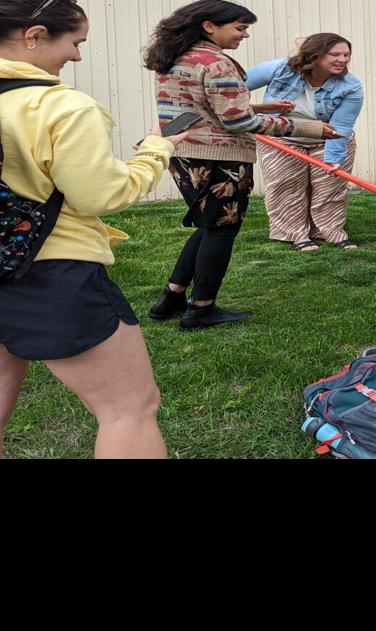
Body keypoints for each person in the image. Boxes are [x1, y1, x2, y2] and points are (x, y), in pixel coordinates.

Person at [1, 0, 189, 458]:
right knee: (129, 409)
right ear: (35, 35)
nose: (78, 57)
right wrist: (156, 151)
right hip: (47, 273)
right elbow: (99, 196)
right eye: (75, 43)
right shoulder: (58, 105)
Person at [143, 0, 338, 330]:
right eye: (239, 28)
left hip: (183, 153)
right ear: (209, 26)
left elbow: (201, 108)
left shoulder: (176, 59)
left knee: (209, 224)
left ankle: (172, 297)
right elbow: (237, 122)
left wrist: (261, 105)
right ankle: (201, 308)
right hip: (219, 160)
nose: (244, 35)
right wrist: (309, 128)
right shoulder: (217, 64)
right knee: (222, 230)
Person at [245, 32, 363, 250]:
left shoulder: (350, 86)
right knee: (286, 185)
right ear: (315, 55)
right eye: (335, 54)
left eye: (346, 54)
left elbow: (342, 126)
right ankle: (295, 233)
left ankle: (331, 231)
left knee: (330, 187)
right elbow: (233, 89)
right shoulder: (280, 69)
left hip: (327, 137)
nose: (343, 59)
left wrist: (334, 158)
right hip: (280, 136)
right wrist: (255, 111)